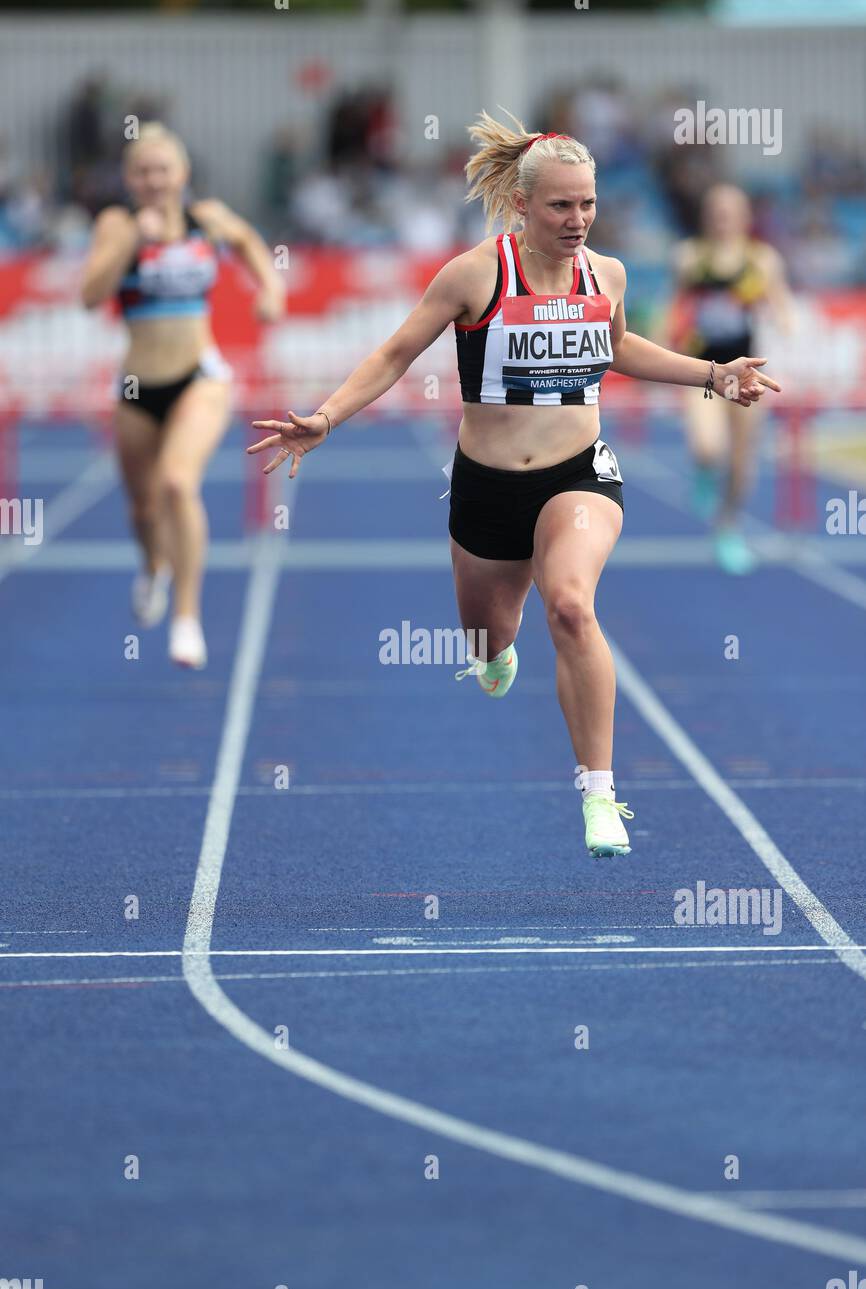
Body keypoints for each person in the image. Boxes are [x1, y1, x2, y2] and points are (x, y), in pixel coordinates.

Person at [248, 110, 779, 857]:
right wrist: (327, 419)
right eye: (561, 205)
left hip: (579, 473)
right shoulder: (476, 274)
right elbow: (397, 352)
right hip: (488, 487)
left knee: (569, 606)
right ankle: (495, 651)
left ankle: (600, 793)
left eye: (588, 203)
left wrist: (714, 374)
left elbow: (619, 346)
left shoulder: (609, 274)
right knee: (489, 640)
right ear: (524, 205)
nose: (578, 219)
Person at [81, 122, 284, 667]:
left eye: (162, 169)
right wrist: (130, 240)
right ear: (129, 178)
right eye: (142, 171)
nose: (153, 180)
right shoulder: (116, 223)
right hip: (136, 386)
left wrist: (271, 288)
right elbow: (89, 294)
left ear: (182, 174)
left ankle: (187, 618)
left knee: (176, 483)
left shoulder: (206, 219)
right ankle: (153, 569)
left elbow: (247, 241)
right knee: (143, 509)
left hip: (200, 376)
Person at [668, 183, 795, 573]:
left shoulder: (761, 261)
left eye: (730, 211)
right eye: (716, 211)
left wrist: (777, 316)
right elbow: (675, 306)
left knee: (742, 461)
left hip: (745, 371)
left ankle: (728, 527)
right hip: (703, 370)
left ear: (744, 217)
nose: (723, 218)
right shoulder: (690, 257)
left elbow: (783, 309)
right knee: (709, 446)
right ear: (707, 216)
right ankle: (706, 471)